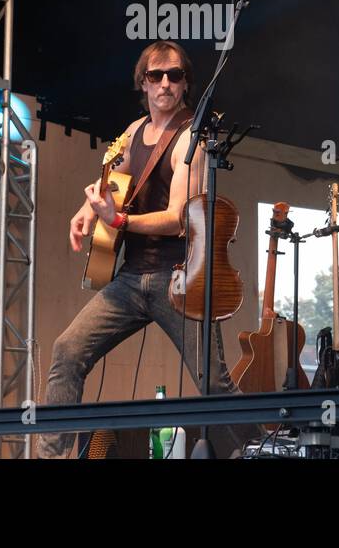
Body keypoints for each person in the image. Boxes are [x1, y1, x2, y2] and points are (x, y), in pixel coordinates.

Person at [38, 41, 246, 459]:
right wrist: (86, 209)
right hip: (131, 280)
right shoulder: (133, 132)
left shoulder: (192, 139)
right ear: (143, 83)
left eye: (174, 75)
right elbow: (113, 178)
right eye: (156, 75)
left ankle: (258, 450)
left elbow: (177, 218)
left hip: (178, 279)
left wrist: (117, 221)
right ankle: (50, 456)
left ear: (186, 83)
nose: (165, 83)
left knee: (213, 382)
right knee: (66, 350)